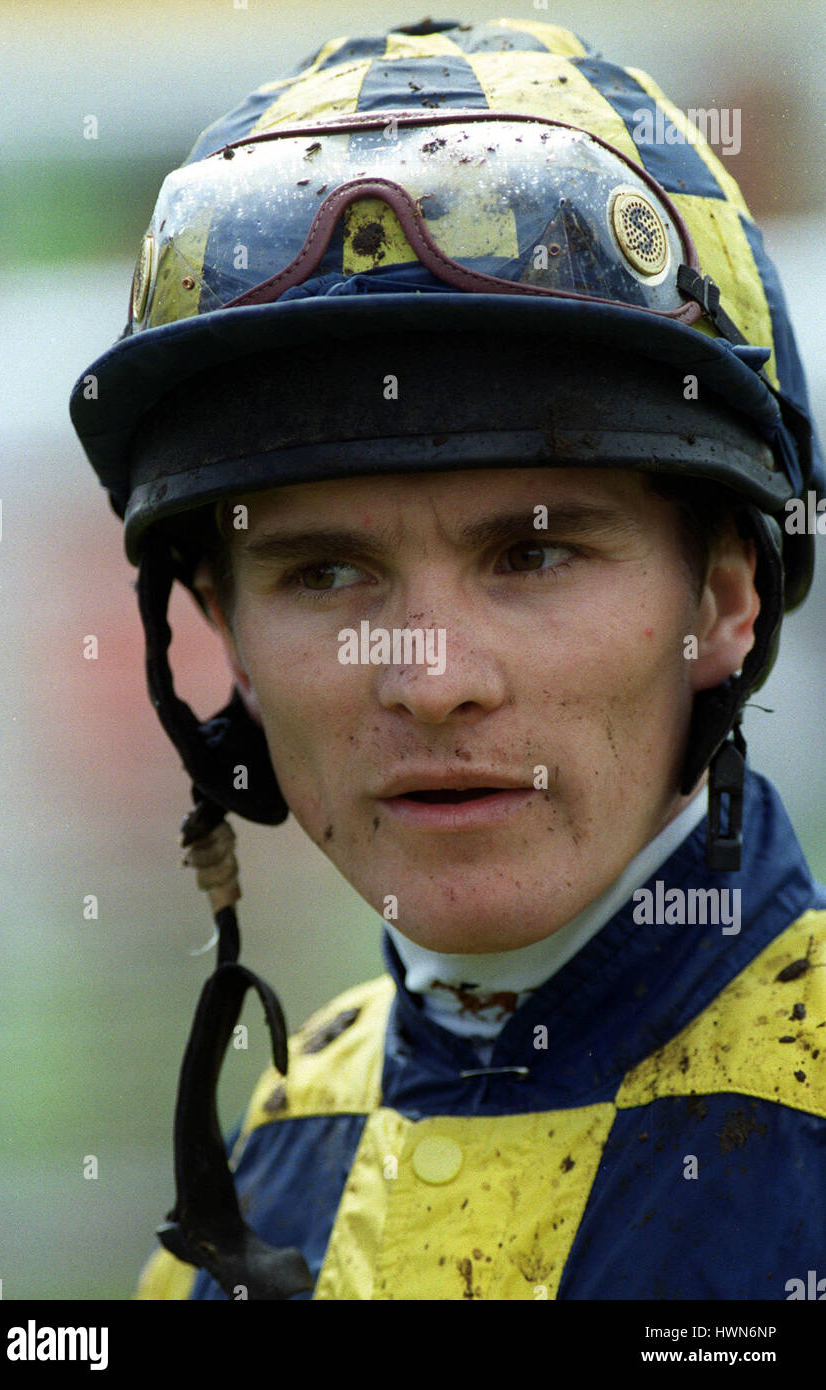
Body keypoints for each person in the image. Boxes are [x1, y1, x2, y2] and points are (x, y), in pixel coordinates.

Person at [70, 17, 826, 1301]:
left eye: (529, 557)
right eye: (326, 573)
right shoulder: (272, 1148)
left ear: (722, 599)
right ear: (224, 635)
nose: (428, 680)